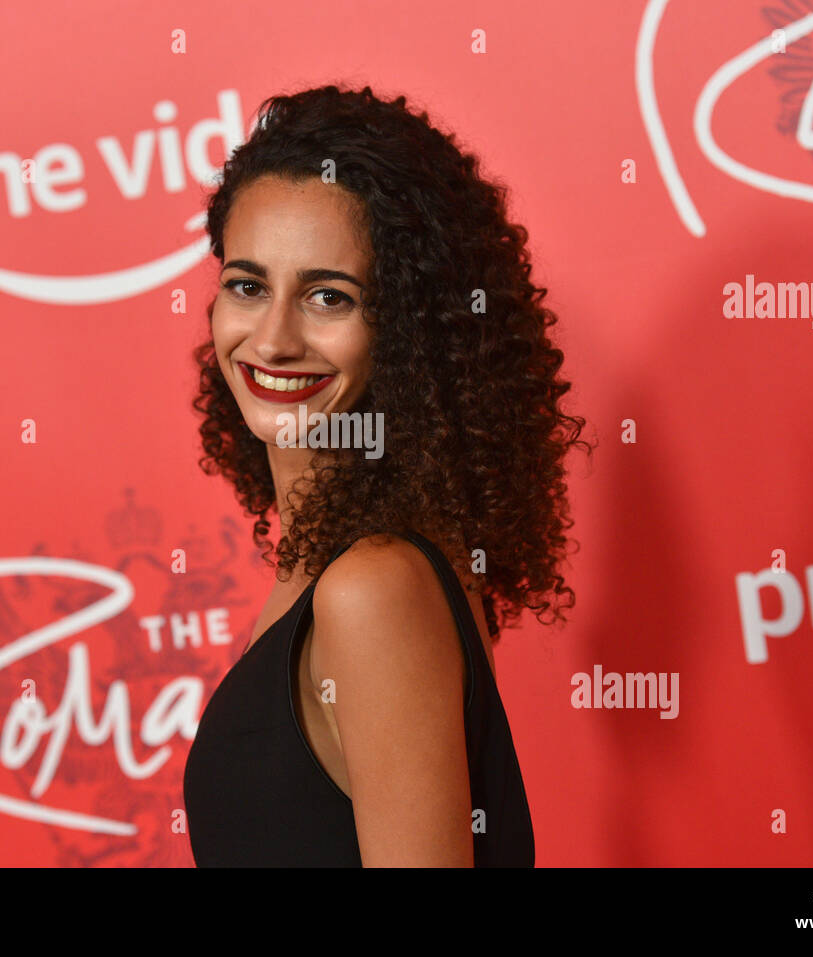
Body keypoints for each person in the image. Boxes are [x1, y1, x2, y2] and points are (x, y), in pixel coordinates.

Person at [182, 84, 591, 866]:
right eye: (247, 285)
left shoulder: (373, 588)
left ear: (406, 328)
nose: (272, 338)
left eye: (328, 297)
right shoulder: (344, 564)